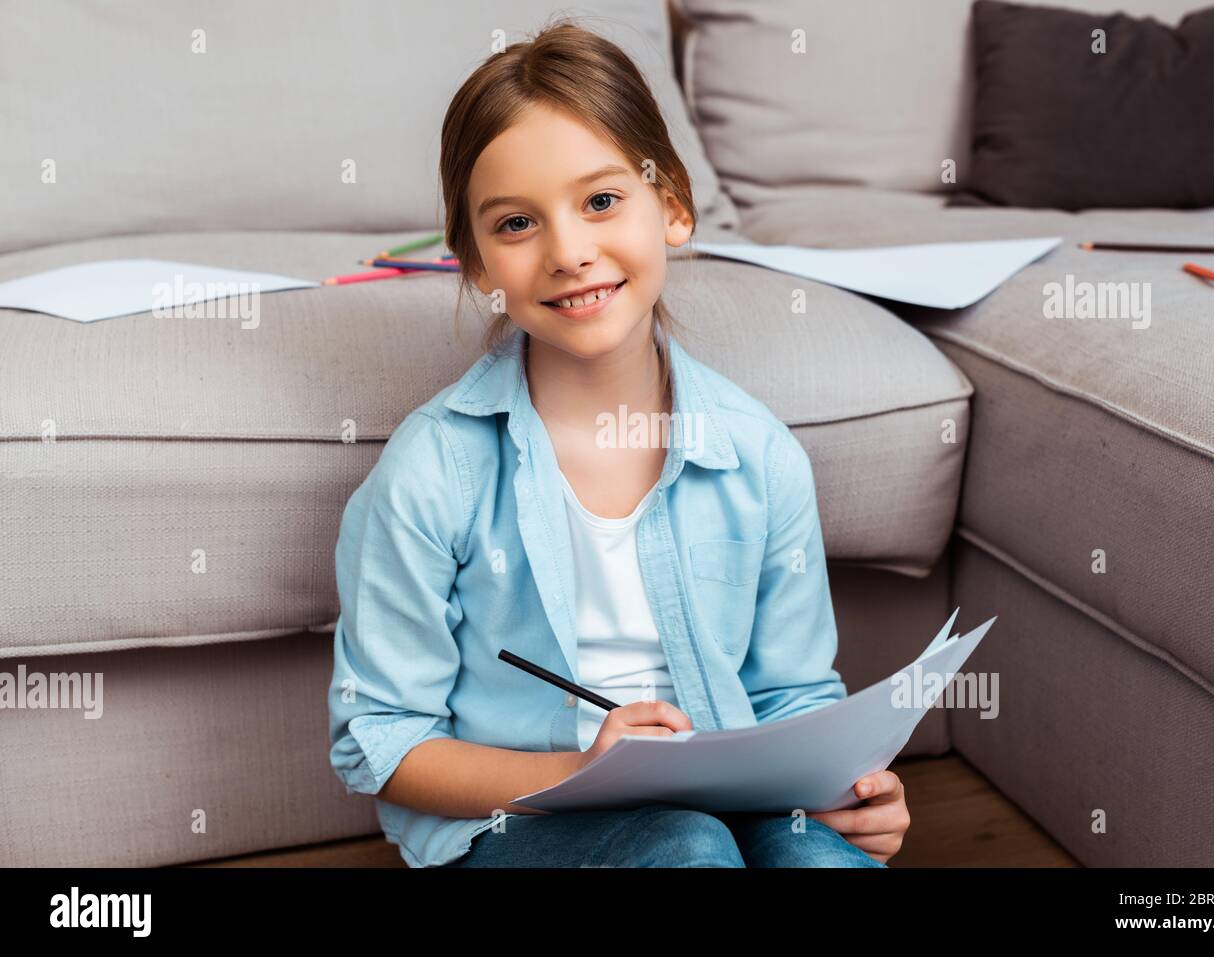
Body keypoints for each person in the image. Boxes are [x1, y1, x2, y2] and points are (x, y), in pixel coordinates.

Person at [327, 19, 909, 868]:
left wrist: (849, 793)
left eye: (602, 202)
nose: (570, 252)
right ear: (477, 262)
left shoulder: (759, 453)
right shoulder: (430, 473)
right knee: (685, 844)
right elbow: (378, 742)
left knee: (816, 858)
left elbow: (792, 693)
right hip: (519, 825)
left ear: (671, 207)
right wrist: (581, 771)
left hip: (729, 803)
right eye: (517, 224)